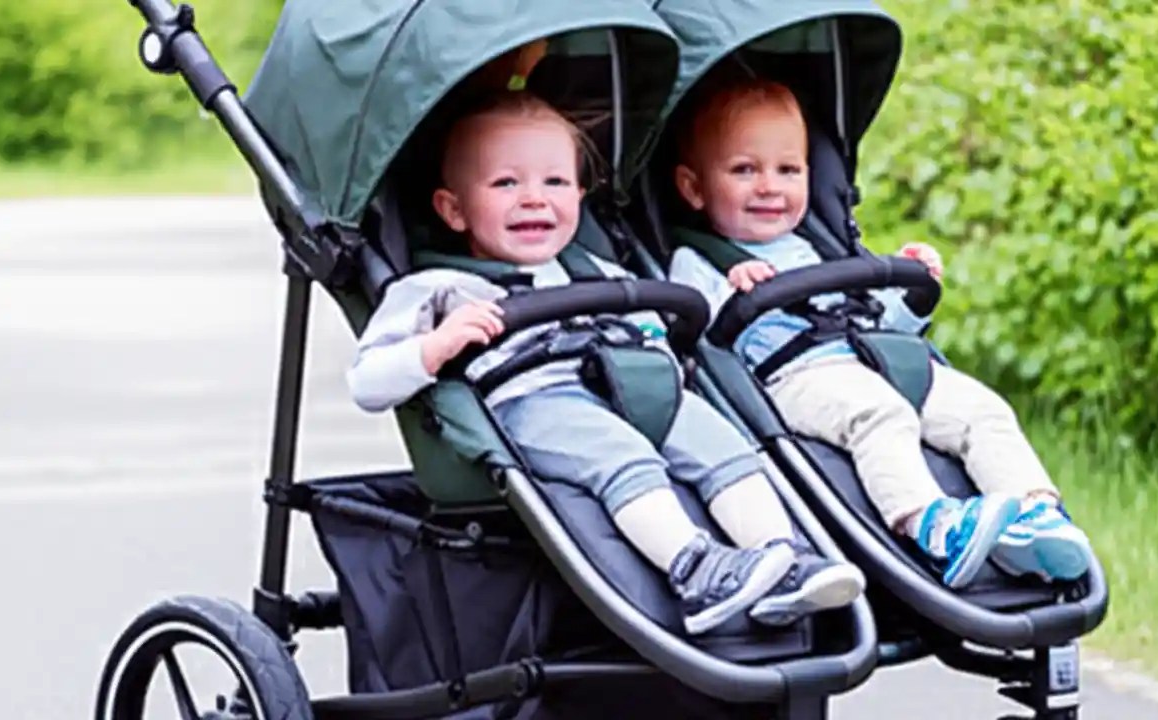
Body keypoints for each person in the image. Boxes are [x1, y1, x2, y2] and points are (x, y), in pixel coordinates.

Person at [347, 89, 864, 633]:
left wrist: (653, 348)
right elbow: (367, 382)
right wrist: (433, 349)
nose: (534, 199)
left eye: (556, 182)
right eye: (506, 183)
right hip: (535, 403)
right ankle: (696, 569)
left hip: (625, 388)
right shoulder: (439, 286)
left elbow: (654, 327)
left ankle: (783, 557)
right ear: (453, 208)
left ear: (579, 193)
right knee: (618, 453)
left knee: (712, 438)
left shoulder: (595, 271)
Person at [667, 77, 1092, 588]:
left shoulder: (819, 246)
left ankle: (1035, 515)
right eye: (744, 170)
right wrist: (731, 298)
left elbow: (880, 322)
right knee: (880, 416)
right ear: (693, 187)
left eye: (788, 170)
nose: (769, 187)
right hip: (796, 377)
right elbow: (693, 339)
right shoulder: (696, 260)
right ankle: (929, 524)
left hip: (876, 358)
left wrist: (912, 292)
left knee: (982, 410)